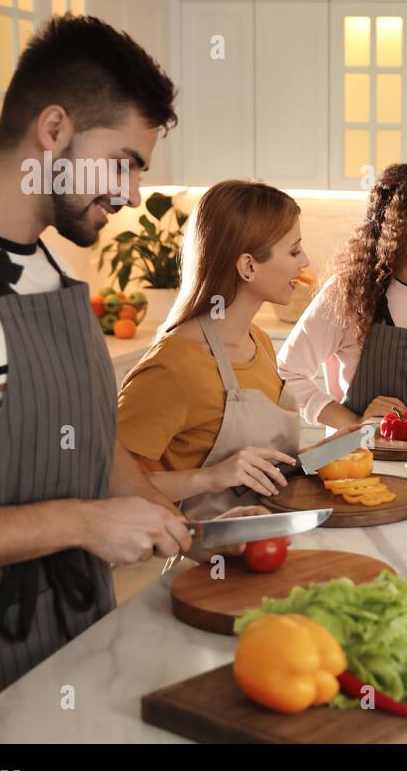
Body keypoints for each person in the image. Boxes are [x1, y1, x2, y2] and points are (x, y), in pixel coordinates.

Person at [0, 15, 201, 743]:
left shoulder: (52, 271)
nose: (134, 193)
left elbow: (84, 440)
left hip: (76, 639)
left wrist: (171, 521)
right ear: (53, 130)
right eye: (123, 161)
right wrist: (84, 524)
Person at [116, 180, 309, 518]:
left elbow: (264, 461)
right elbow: (111, 487)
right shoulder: (173, 366)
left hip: (272, 541)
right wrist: (210, 477)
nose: (304, 261)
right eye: (294, 251)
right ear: (248, 266)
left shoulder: (258, 342)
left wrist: (328, 453)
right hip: (206, 557)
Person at [277, 164, 407, 429]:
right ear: (391, 231)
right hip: (357, 458)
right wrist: (354, 423)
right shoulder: (350, 295)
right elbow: (286, 373)